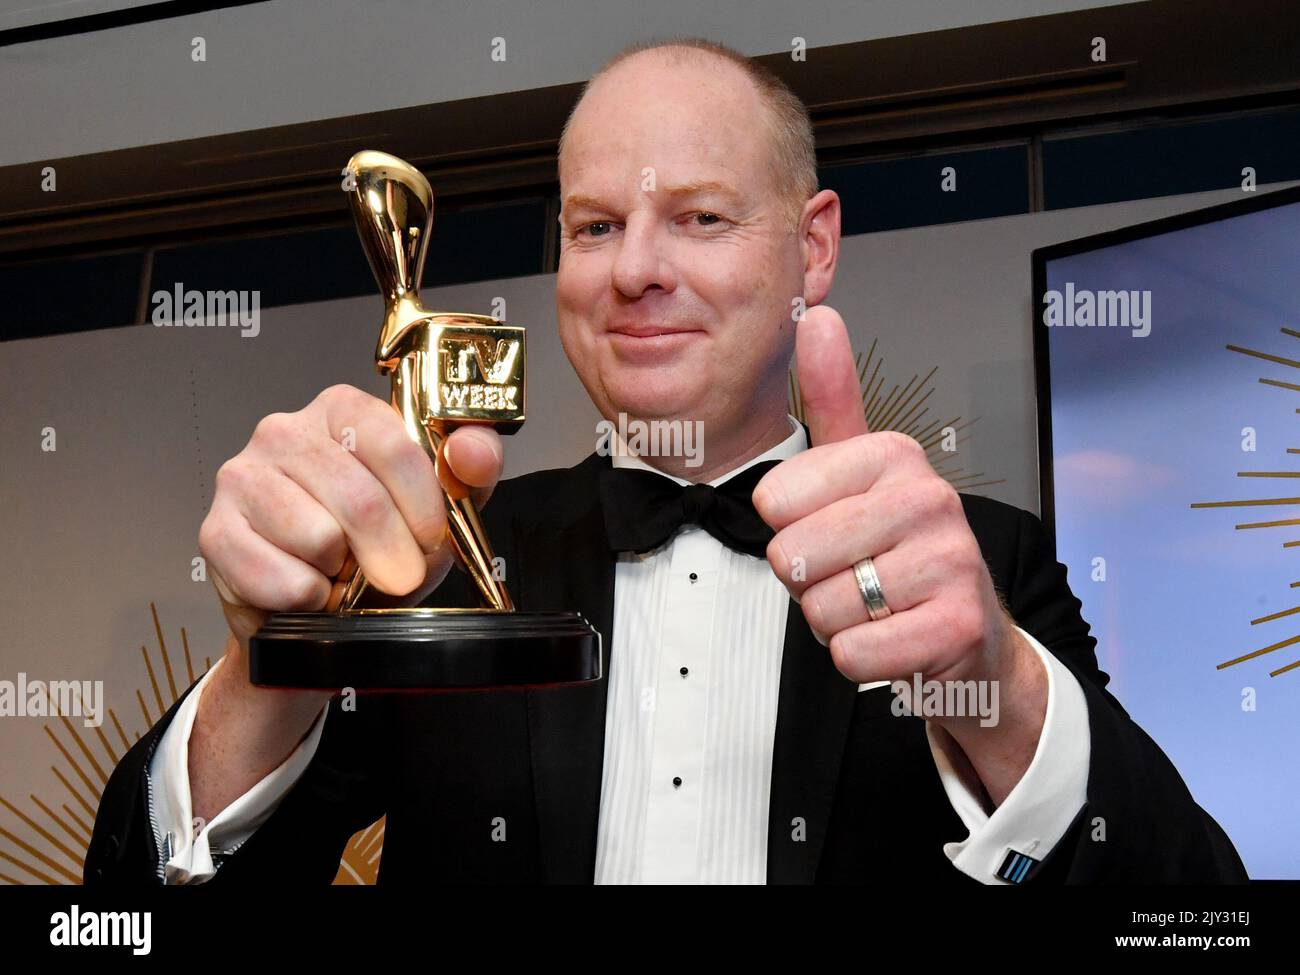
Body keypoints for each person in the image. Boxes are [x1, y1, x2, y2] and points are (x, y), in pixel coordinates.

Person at [86, 37, 1246, 885]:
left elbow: (1192, 912)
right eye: (592, 226)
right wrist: (259, 663)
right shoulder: (439, 568)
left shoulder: (985, 564)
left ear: (814, 246)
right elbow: (131, 909)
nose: (633, 268)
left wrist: (992, 687)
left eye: (697, 217)